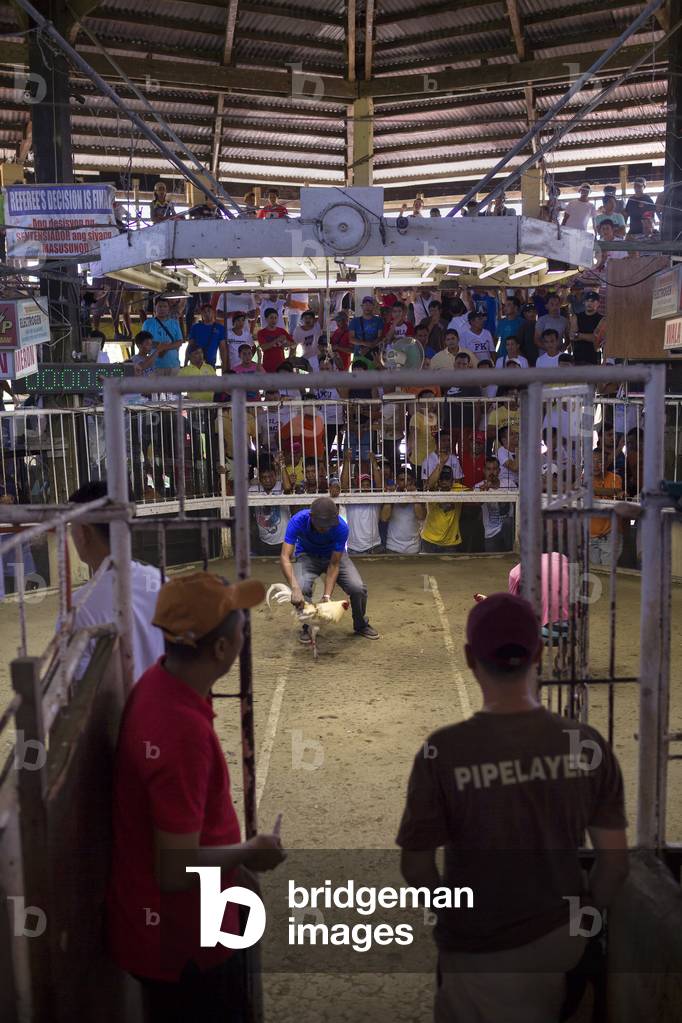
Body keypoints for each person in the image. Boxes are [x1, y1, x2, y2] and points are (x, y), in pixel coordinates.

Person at [397, 592, 628, 1023]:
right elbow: (614, 865)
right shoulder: (587, 743)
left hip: (476, 946)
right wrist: (586, 919)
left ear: (469, 657)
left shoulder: (443, 751)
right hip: (562, 936)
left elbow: (417, 869)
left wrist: (456, 914)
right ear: (539, 653)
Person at [107, 571, 285, 1020]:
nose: (247, 633)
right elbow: (174, 868)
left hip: (179, 926)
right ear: (223, 649)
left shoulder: (158, 681)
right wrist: (249, 852)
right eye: (241, 628)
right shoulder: (179, 731)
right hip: (186, 942)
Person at [68, 481, 164, 681]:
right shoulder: (163, 583)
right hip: (163, 708)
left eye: (73, 526)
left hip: (120, 712)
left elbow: (82, 692)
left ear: (84, 532)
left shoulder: (78, 609)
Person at [280, 497, 379, 641]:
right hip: (307, 555)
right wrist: (294, 588)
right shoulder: (298, 520)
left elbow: (334, 564)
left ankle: (360, 625)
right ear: (311, 517)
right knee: (301, 588)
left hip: (333, 556)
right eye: (322, 525)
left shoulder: (341, 527)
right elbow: (284, 556)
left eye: (329, 525)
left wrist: (326, 596)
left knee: (358, 588)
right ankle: (307, 627)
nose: (326, 528)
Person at [250, 455, 292, 556]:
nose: (268, 480)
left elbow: (288, 487)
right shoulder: (253, 490)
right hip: (264, 542)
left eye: (270, 476)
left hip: (283, 541)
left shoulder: (280, 486)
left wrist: (282, 465)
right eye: (264, 477)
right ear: (259, 478)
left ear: (275, 476)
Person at [420, 465, 466, 553]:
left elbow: (476, 497)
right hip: (429, 540)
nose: (444, 481)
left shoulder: (458, 489)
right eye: (441, 478)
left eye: (447, 478)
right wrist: (440, 463)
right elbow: (427, 485)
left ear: (453, 480)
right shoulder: (432, 490)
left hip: (450, 542)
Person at [589, 448, 624, 566]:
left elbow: (618, 492)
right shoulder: (585, 478)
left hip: (609, 534)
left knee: (607, 573)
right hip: (590, 535)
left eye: (599, 462)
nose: (596, 465)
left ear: (607, 463)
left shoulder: (615, 479)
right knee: (594, 572)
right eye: (592, 461)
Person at [474, 455, 516, 552]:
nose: (492, 472)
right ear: (484, 470)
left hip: (508, 531)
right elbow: (476, 503)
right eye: (488, 469)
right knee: (492, 562)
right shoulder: (479, 487)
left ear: (499, 471)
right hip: (490, 533)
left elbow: (518, 504)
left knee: (508, 522)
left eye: (494, 469)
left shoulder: (509, 484)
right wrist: (484, 490)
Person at [380, 469, 426, 555]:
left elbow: (421, 516)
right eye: (401, 480)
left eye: (408, 480)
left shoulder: (417, 496)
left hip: (413, 547)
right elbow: (384, 518)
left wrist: (414, 494)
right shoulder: (392, 495)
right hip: (393, 547)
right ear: (396, 481)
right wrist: (391, 495)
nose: (405, 482)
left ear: (412, 481)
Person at [141, 297, 184, 374]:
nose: (162, 309)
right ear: (155, 308)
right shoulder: (147, 323)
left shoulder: (174, 323)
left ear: (168, 309)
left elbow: (180, 342)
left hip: (173, 366)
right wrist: (159, 345)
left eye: (165, 306)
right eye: (160, 306)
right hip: (154, 366)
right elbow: (143, 342)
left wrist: (164, 347)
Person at [187, 303, 227, 371]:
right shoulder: (195, 327)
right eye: (204, 312)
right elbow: (190, 346)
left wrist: (224, 364)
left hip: (211, 364)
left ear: (213, 313)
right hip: (195, 363)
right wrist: (185, 362)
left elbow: (222, 349)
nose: (207, 313)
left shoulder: (220, 328)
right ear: (201, 314)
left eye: (209, 311)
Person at [570, 290, 604, 366]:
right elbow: (572, 336)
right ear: (584, 302)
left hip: (593, 359)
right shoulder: (576, 316)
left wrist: (578, 335)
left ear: (598, 303)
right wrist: (589, 336)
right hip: (577, 359)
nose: (589, 303)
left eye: (592, 301)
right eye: (587, 301)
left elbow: (596, 339)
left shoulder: (602, 319)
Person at [256, 306, 293, 373]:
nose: (274, 320)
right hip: (268, 365)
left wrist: (285, 342)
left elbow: (293, 344)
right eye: (271, 318)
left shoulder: (282, 331)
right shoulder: (261, 333)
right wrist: (277, 340)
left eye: (275, 318)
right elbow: (264, 347)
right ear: (266, 319)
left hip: (281, 365)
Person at [349, 295, 384, 361]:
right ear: (362, 306)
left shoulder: (379, 320)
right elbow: (351, 339)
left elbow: (380, 337)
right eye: (365, 305)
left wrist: (367, 348)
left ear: (373, 307)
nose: (367, 307)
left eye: (370, 305)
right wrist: (365, 344)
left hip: (374, 356)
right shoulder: (355, 321)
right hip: (358, 355)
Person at [496, 296, 524, 360]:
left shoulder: (522, 323)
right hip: (502, 357)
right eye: (505, 305)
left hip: (517, 358)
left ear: (516, 308)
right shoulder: (501, 322)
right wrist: (496, 354)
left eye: (508, 305)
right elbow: (496, 339)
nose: (505, 308)